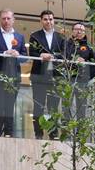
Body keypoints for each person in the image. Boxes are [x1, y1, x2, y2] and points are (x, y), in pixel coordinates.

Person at [27, 9, 66, 138]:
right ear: (41, 21)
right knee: (38, 105)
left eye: (50, 19)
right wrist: (40, 55)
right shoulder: (35, 36)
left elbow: (65, 55)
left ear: (54, 21)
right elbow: (31, 53)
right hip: (39, 76)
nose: (48, 22)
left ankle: (53, 134)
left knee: (53, 107)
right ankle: (38, 133)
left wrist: (53, 56)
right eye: (45, 19)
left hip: (56, 76)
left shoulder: (61, 37)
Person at [0, 9, 23, 136]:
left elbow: (25, 56)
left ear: (13, 20)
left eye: (8, 18)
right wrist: (4, 53)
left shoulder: (20, 37)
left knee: (10, 106)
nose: (6, 21)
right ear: (0, 20)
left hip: (14, 76)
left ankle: (9, 132)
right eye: (4, 18)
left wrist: (18, 54)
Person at [63, 21, 95, 130]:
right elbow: (62, 58)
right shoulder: (66, 44)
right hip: (68, 79)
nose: (79, 31)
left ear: (84, 33)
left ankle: (80, 134)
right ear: (72, 31)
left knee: (81, 108)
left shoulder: (89, 47)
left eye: (82, 30)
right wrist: (74, 59)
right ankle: (66, 131)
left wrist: (90, 77)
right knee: (67, 107)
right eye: (76, 29)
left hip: (82, 81)